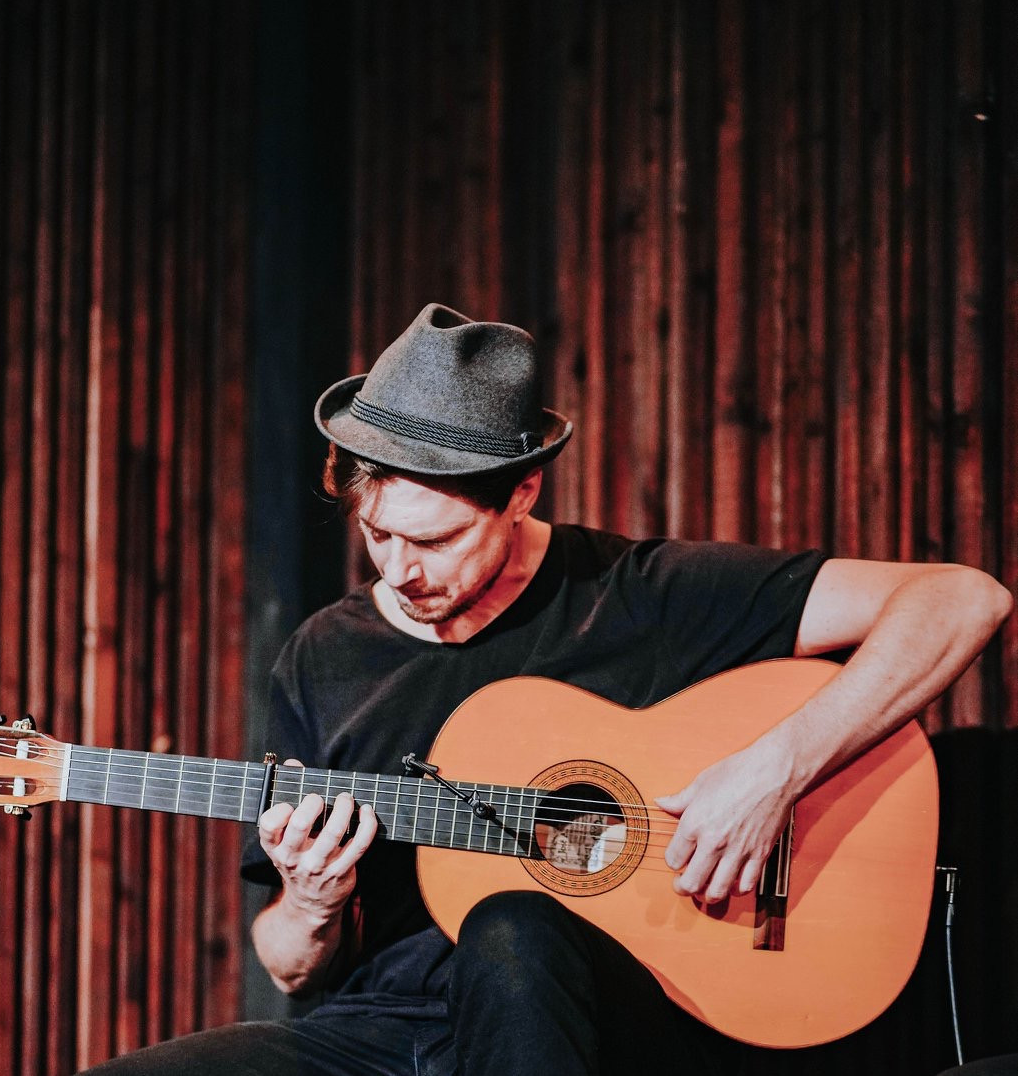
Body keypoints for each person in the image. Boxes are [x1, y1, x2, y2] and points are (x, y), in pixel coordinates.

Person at [84, 303, 1012, 1075]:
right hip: (388, 1032)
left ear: (523, 492)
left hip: (604, 1023)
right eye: (378, 534)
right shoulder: (323, 655)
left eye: (436, 540)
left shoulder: (640, 597)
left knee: (513, 928)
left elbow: (959, 598)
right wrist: (311, 901)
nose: (400, 569)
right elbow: (288, 968)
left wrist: (774, 767)